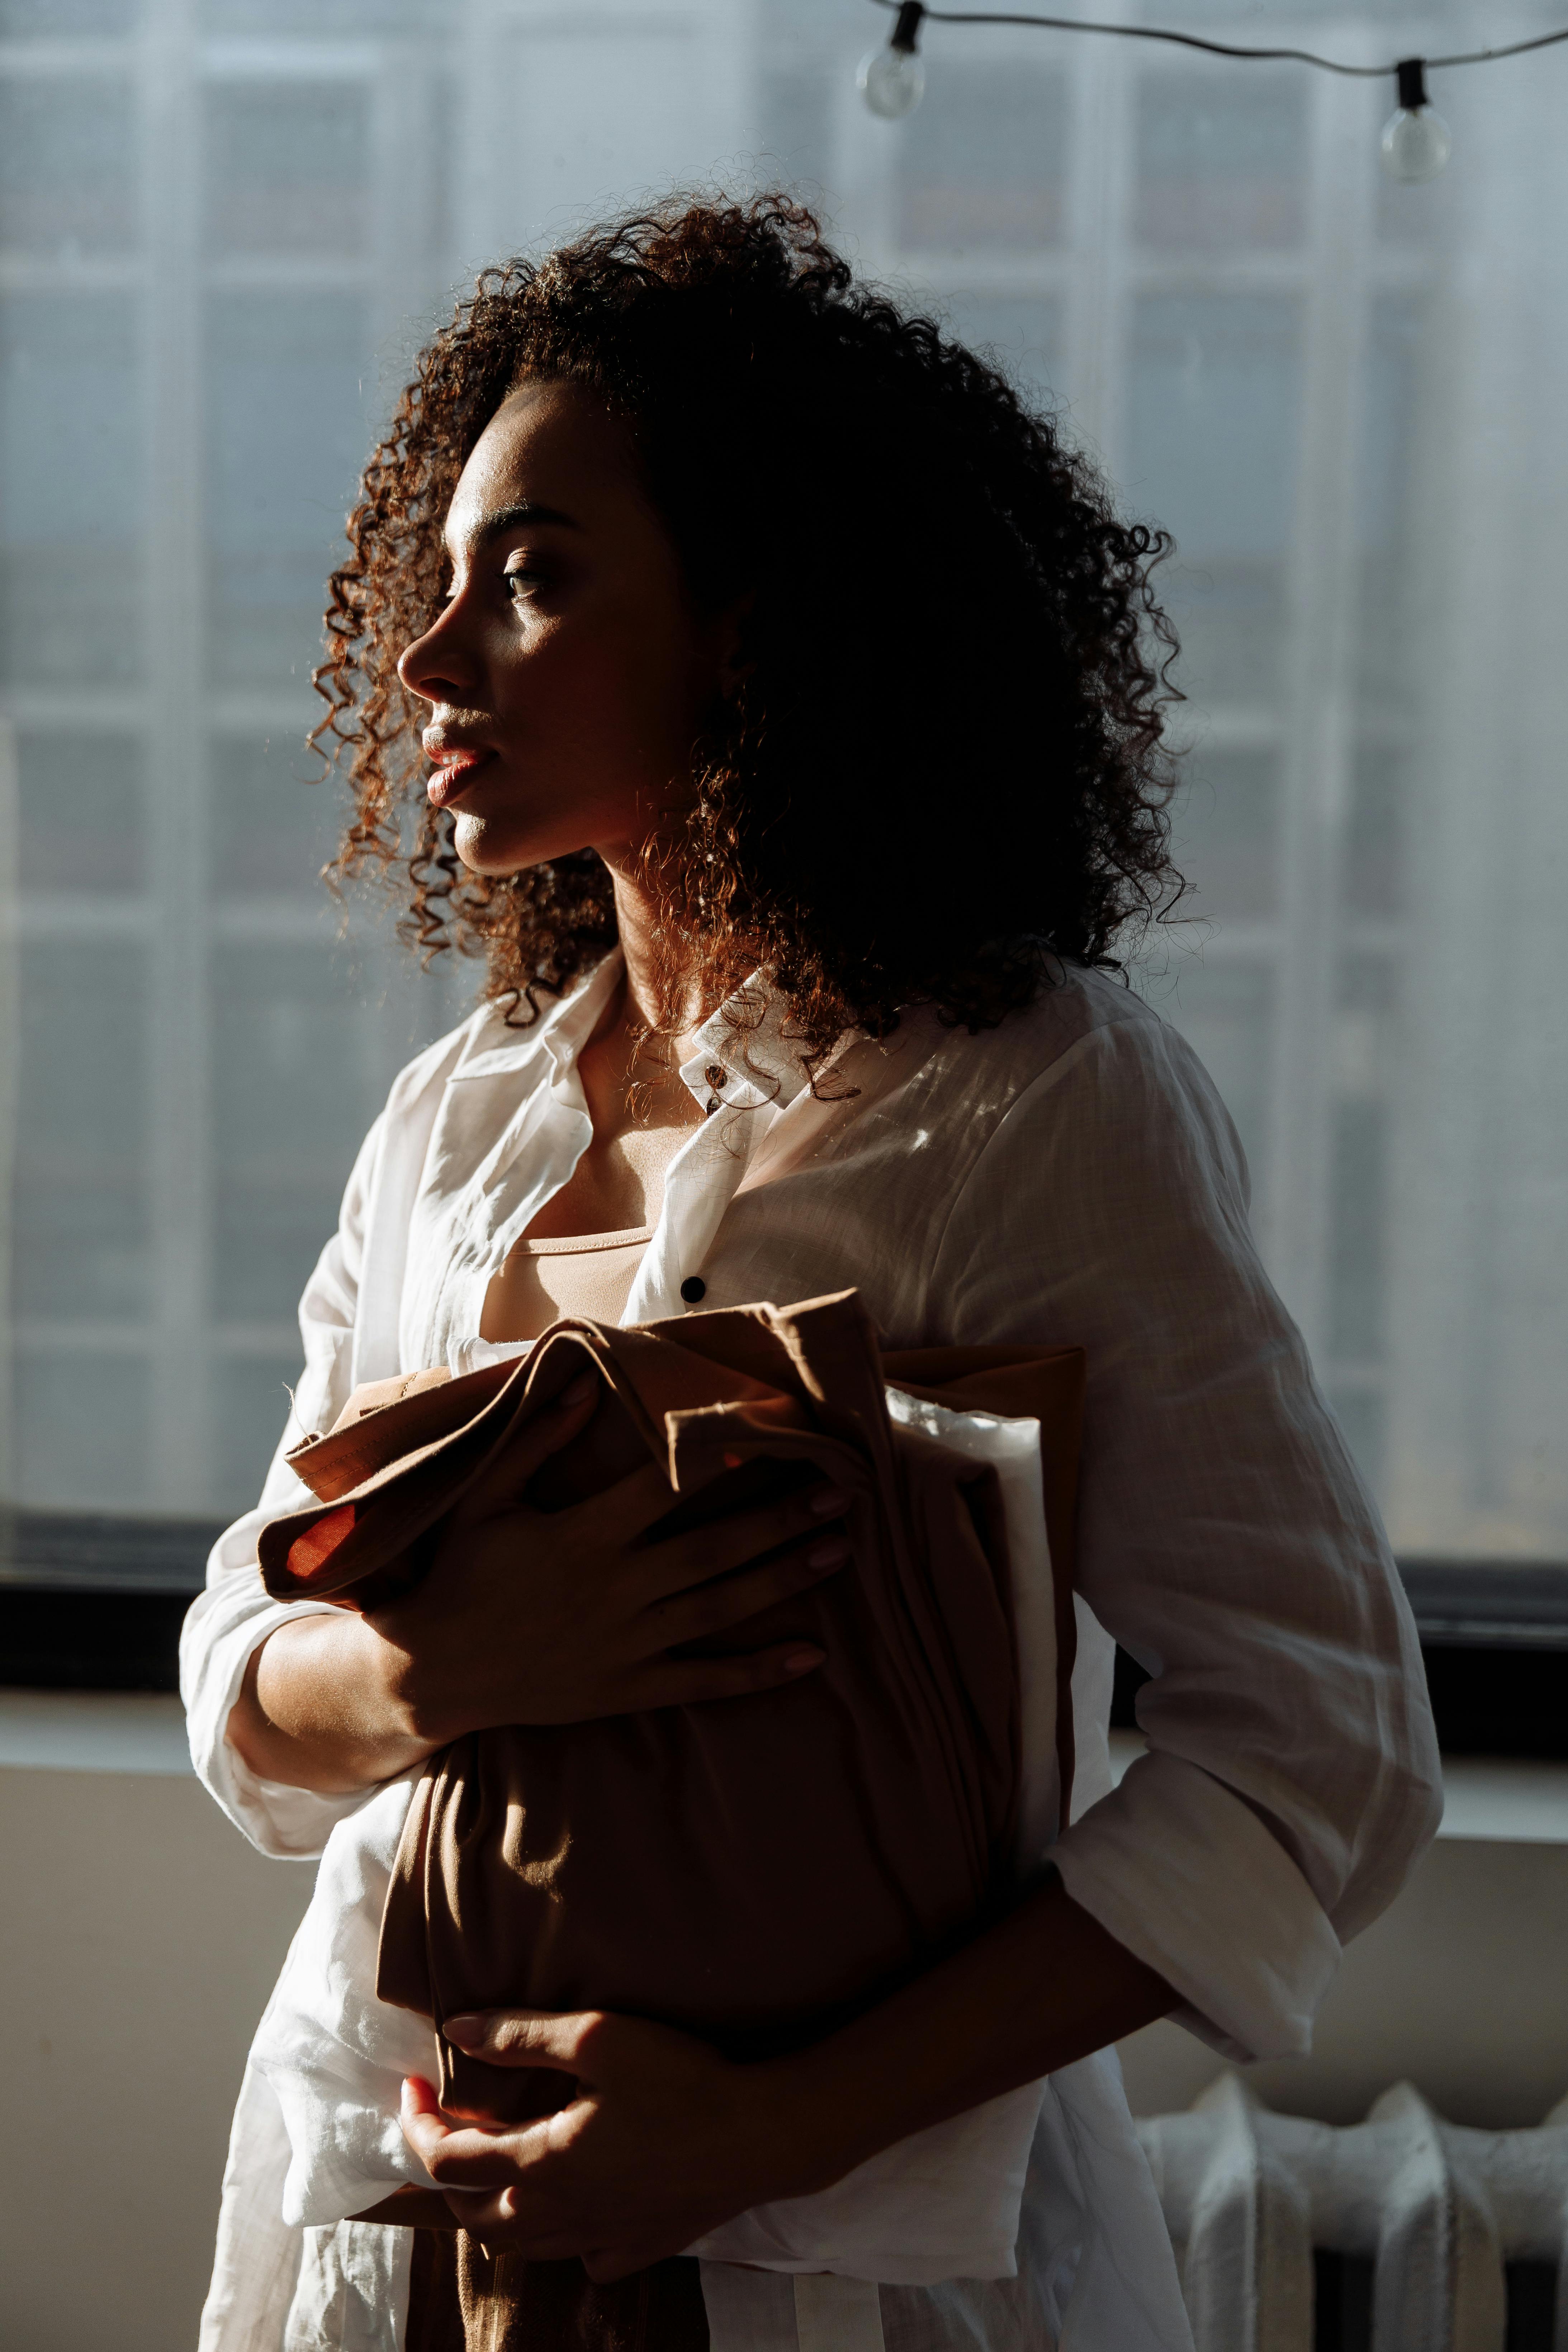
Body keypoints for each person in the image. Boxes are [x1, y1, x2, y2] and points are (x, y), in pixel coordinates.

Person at [182, 195, 1441, 2352]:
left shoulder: (1026, 1100)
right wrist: (435, 1668)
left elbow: (1316, 1748)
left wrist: (770, 2120)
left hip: (853, 2255)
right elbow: (244, 1642)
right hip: (392, 2201)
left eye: (538, 577)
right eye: (444, 577)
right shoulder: (450, 1124)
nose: (429, 656)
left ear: (751, 627)